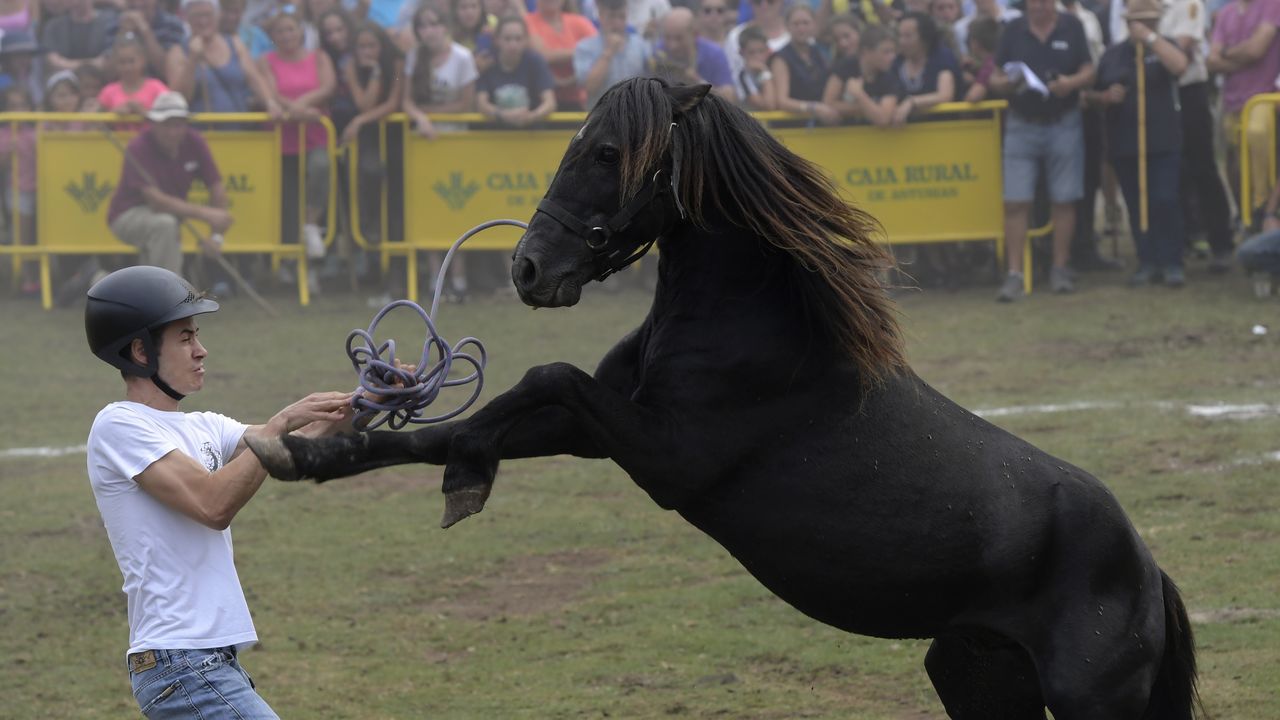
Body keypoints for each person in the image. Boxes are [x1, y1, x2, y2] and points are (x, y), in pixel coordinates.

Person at [84, 265, 357, 720]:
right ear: (140, 350)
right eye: (186, 337)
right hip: (182, 664)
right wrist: (279, 423)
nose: (201, 350)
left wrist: (366, 402)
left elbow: (297, 447)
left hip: (206, 662)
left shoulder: (204, 426)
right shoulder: (119, 425)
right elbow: (212, 505)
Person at [988, 0, 1094, 301]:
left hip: (1065, 123)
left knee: (1065, 198)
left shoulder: (1072, 26)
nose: (1038, 6)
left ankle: (1060, 269)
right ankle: (1014, 274)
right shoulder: (1012, 29)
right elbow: (994, 77)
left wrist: (1070, 83)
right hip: (1022, 124)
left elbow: (1089, 70)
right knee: (1015, 201)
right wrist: (1007, 82)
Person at [1090, 0, 1188, 286]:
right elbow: (1092, 96)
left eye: (1149, 20)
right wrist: (1106, 98)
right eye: (1139, 21)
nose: (1144, 25)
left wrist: (1151, 39)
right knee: (1136, 203)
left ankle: (1172, 261)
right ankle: (1147, 260)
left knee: (1164, 200)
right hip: (1126, 143)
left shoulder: (1166, 46)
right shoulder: (1114, 55)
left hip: (1163, 141)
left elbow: (1180, 66)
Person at [106, 92, 232, 276]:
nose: (172, 132)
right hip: (126, 215)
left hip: (168, 216)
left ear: (186, 125)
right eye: (166, 125)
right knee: (164, 225)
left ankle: (99, 279)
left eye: (178, 125)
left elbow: (216, 187)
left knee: (164, 229)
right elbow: (156, 201)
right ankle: (171, 297)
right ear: (153, 124)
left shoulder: (195, 142)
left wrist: (216, 237)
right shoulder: (138, 146)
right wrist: (205, 214)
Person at [260, 4, 336, 284]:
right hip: (283, 139)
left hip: (315, 134)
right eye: (280, 30)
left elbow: (327, 87)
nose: (286, 35)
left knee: (320, 167)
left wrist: (300, 107)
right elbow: (269, 91)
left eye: (290, 29)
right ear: (273, 35)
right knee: (287, 200)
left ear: (300, 31)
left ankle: (312, 224)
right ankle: (290, 265)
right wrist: (296, 110)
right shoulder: (266, 61)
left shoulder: (319, 57)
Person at [1160, 0, 1234, 270]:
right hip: (1154, 93)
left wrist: (1149, 43)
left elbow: (1183, 46)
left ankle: (1221, 241)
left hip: (1189, 90)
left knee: (1202, 167)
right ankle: (1182, 239)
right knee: (1169, 170)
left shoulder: (1188, 4)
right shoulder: (1137, 6)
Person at [1208, 0, 1280, 225]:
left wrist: (1227, 53)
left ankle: (1263, 206)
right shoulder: (1225, 13)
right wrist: (1243, 59)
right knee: (1232, 161)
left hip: (1264, 98)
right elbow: (1211, 61)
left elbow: (1256, 50)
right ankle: (1244, 214)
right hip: (1232, 100)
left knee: (1257, 134)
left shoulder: (1272, 5)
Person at [167, 0, 281, 116]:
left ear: (217, 15)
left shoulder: (235, 43)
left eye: (208, 14)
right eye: (197, 16)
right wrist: (192, 60)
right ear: (187, 18)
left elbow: (254, 78)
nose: (203, 21)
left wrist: (270, 102)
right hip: (201, 131)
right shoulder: (178, 52)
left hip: (240, 129)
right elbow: (180, 98)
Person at [403, 4, 479, 138]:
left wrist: (429, 111)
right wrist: (421, 118)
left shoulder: (463, 57)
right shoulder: (413, 56)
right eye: (422, 26)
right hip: (420, 135)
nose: (429, 31)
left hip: (455, 134)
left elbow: (466, 104)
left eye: (434, 24)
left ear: (445, 27)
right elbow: (407, 101)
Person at [479, 15, 555, 126]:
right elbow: (481, 104)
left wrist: (532, 116)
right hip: (494, 136)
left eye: (518, 39)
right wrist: (504, 115)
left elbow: (550, 103)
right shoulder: (487, 63)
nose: (513, 44)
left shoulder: (536, 62)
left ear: (526, 40)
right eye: (507, 39)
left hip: (531, 135)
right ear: (497, 40)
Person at [574, 0, 649, 109]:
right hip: (601, 117)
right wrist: (608, 52)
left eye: (621, 17)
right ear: (601, 16)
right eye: (611, 17)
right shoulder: (585, 47)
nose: (617, 23)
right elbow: (590, 87)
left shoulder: (641, 45)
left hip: (635, 115)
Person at [770, 5, 839, 122]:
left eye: (806, 23)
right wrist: (814, 108)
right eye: (796, 24)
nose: (801, 28)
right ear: (787, 26)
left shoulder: (820, 53)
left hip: (821, 125)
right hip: (794, 127)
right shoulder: (781, 58)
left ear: (814, 25)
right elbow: (782, 101)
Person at [525, 0, 596, 111]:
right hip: (539, 102)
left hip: (578, 100)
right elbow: (542, 56)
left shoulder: (579, 22)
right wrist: (580, 52)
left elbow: (598, 50)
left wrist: (574, 78)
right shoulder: (527, 21)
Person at [652, 7, 735, 101]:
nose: (672, 45)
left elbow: (729, 97)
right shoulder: (658, 52)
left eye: (679, 38)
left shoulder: (714, 54)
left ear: (695, 34)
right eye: (667, 37)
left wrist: (698, 83)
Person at [890, 11, 959, 123]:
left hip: (943, 130)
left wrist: (911, 102)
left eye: (908, 36)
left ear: (924, 38)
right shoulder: (897, 62)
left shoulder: (942, 57)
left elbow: (945, 95)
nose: (901, 41)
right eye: (900, 35)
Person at [827, 23, 902, 125]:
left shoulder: (890, 75)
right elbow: (828, 103)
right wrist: (870, 108)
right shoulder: (846, 66)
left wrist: (860, 95)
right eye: (886, 52)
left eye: (893, 51)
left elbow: (883, 119)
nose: (892, 57)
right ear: (866, 52)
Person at [97, 35, 172, 117]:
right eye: (122, 62)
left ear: (143, 61)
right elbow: (98, 122)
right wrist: (114, 113)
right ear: (116, 64)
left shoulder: (157, 87)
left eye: (131, 61)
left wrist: (144, 112)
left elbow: (169, 117)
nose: (127, 67)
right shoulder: (108, 91)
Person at [40, 0, 118, 73]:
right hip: (65, 81)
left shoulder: (109, 21)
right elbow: (53, 61)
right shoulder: (54, 26)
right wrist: (88, 65)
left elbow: (108, 59)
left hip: (102, 80)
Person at [118, 0, 187, 78]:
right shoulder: (115, 23)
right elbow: (108, 74)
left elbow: (167, 71)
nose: (138, 3)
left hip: (162, 87)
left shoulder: (171, 24)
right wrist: (121, 35)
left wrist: (145, 31)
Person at [736, 24, 777, 109]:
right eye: (751, 52)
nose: (757, 57)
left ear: (768, 50)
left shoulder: (777, 67)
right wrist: (764, 72)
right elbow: (769, 105)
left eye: (761, 51)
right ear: (741, 53)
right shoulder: (743, 77)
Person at [452, 0, 496, 73]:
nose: (469, 12)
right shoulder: (448, 32)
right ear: (455, 10)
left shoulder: (492, 23)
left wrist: (496, 38)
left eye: (474, 6)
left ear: (481, 9)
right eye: (463, 7)